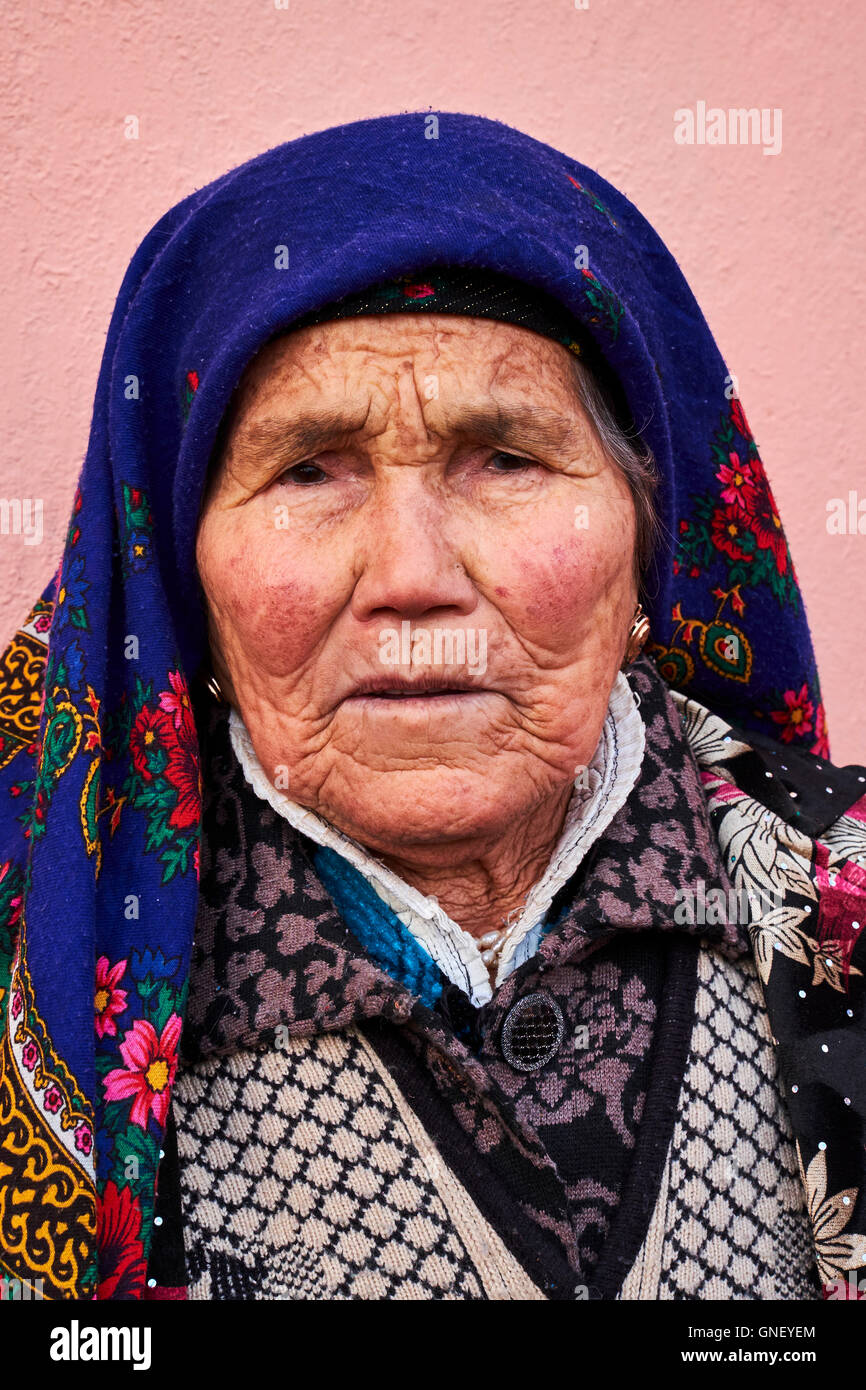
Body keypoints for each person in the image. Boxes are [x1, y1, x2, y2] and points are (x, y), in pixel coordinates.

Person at [0, 111, 864, 1303]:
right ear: (182, 569)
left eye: (504, 458)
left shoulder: (838, 894)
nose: (412, 574)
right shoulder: (52, 957)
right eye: (307, 469)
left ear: (644, 535)